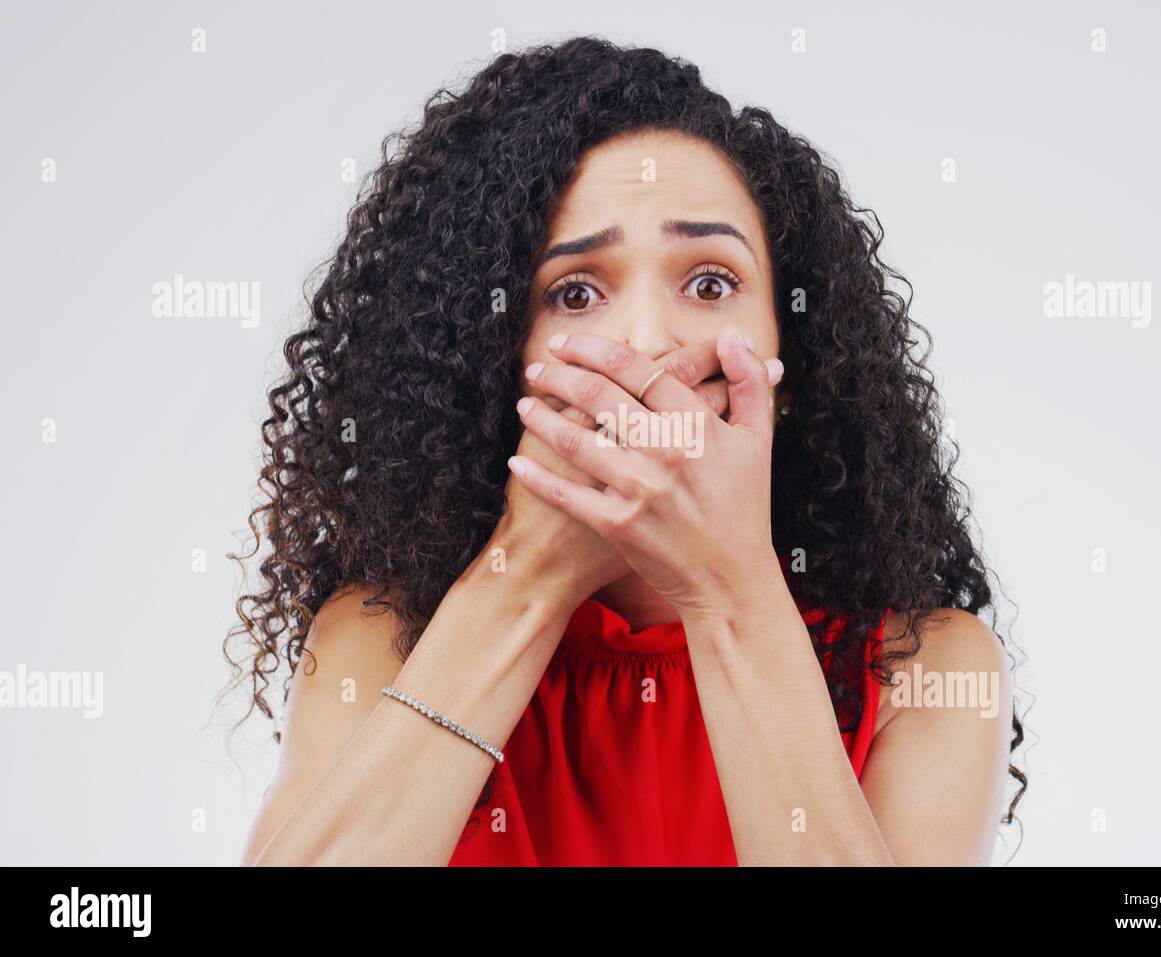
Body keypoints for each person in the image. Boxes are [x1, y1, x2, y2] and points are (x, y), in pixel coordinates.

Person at [225, 36, 1026, 866]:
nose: (646, 339)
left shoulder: (921, 669)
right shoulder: (376, 641)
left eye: (710, 283)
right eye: (576, 292)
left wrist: (730, 587)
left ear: (791, 361)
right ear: (491, 357)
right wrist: (528, 574)